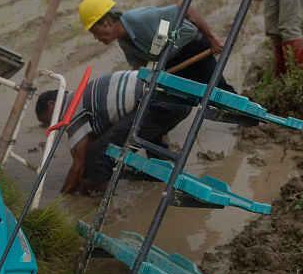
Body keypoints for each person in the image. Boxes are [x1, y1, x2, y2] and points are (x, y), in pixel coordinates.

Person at [36, 70, 191, 195]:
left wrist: (63, 197)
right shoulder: (81, 95)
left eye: (48, 121)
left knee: (98, 153)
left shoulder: (70, 108)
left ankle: (99, 200)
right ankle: (165, 174)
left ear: (52, 105)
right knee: (147, 137)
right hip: (180, 100)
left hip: (158, 103)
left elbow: (79, 163)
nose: (53, 127)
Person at [77, 0, 231, 91]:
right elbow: (139, 64)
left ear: (107, 22)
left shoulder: (140, 19)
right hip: (171, 59)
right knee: (171, 101)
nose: (96, 38)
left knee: (218, 90)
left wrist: (211, 37)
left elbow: (184, 8)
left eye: (95, 32)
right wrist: (128, 86)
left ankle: (252, 120)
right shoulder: (124, 41)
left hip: (193, 48)